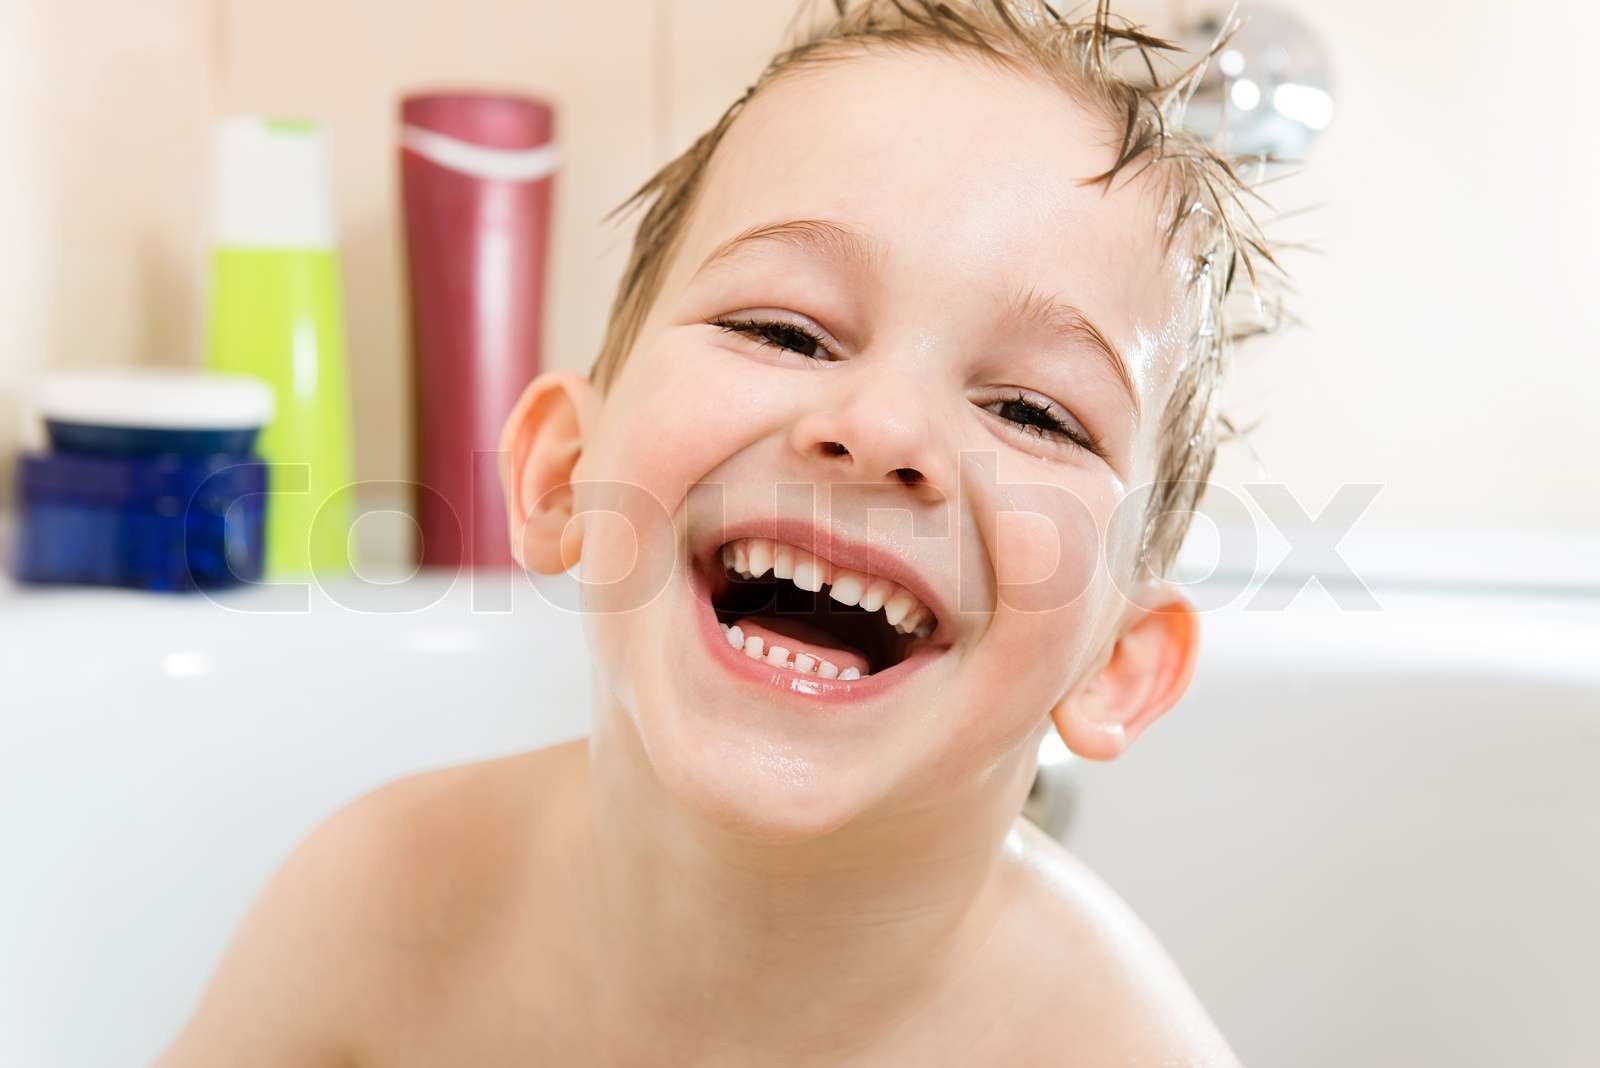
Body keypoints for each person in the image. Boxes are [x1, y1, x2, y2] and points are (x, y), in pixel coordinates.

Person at [160, 2, 1282, 1063]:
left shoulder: (1110, 1049)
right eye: (783, 330)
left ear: (1118, 669)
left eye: (1033, 412)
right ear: (560, 477)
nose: (884, 427)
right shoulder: (387, 902)